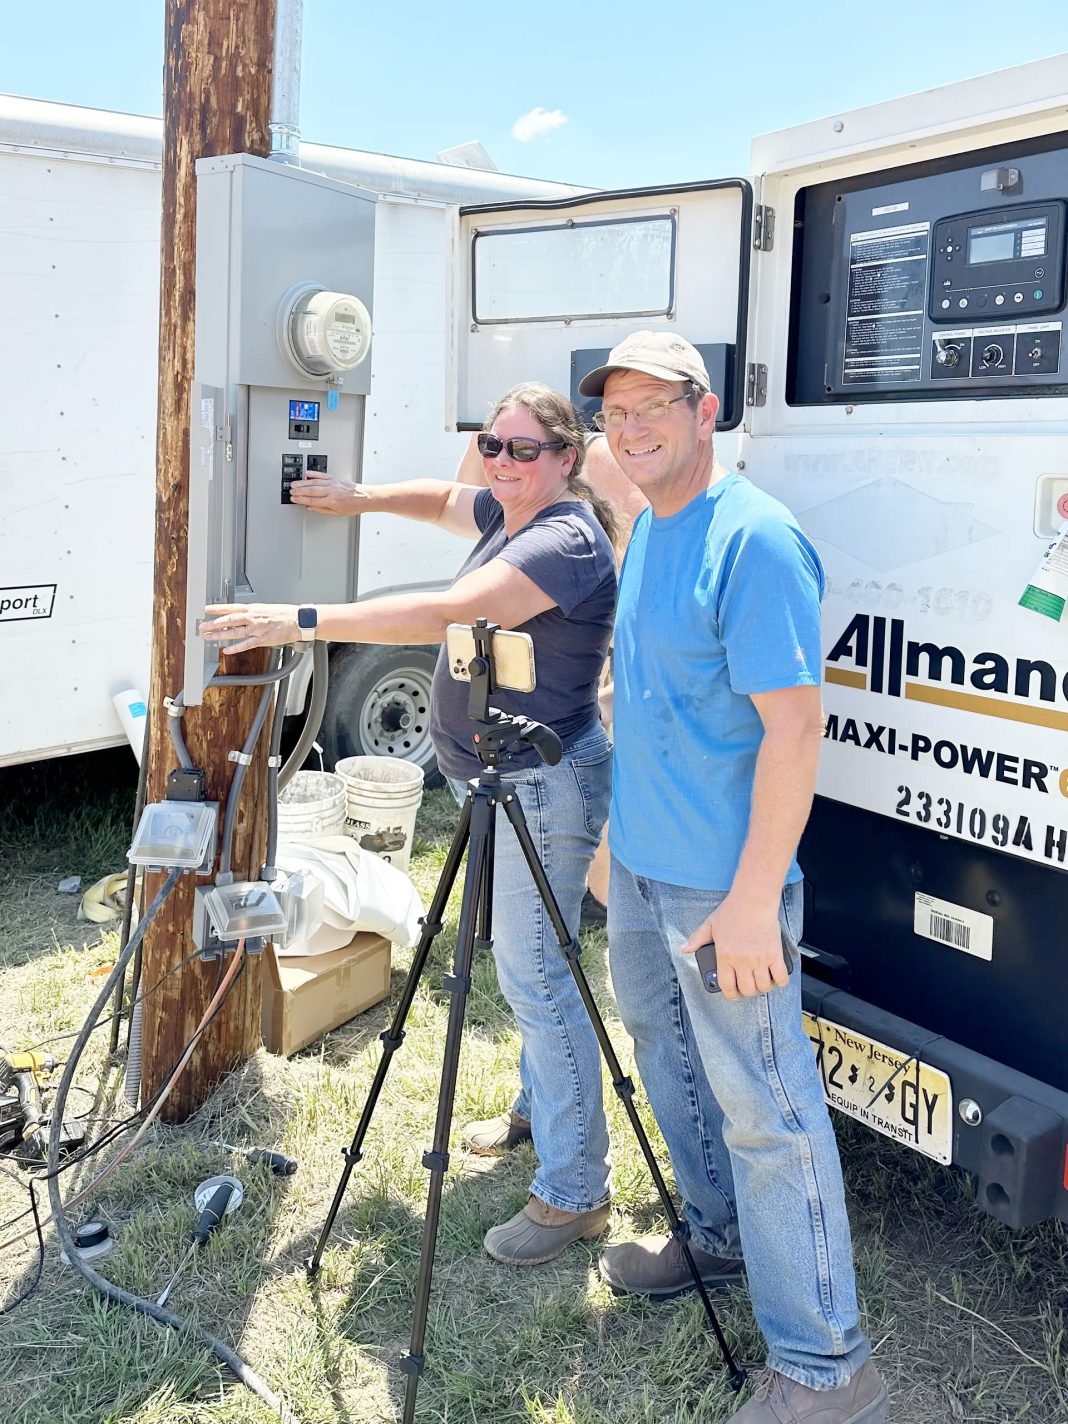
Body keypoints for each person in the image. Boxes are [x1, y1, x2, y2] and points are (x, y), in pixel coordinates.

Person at [201, 383, 619, 1267]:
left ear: (567, 459)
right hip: (498, 782)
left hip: (542, 785)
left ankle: (576, 1191)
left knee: (537, 976)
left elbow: (445, 612)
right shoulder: (512, 510)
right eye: (493, 445)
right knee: (525, 965)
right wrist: (356, 496)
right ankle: (541, 1110)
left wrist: (300, 619)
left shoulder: (564, 537)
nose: (502, 464)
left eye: (524, 451)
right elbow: (440, 497)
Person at [578, 333, 888, 1424]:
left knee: (769, 1110)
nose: (632, 426)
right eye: (614, 410)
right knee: (669, 1060)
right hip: (651, 871)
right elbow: (650, 705)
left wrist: (756, 898)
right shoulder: (654, 525)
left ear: (704, 409)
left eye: (654, 404)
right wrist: (617, 839)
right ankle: (712, 1236)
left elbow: (796, 729)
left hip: (725, 893)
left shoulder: (752, 537)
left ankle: (827, 1365)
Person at [455, 430, 648, 928]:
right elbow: (462, 488)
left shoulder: (587, 521)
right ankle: (577, 896)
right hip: (603, 634)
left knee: (618, 759)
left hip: (614, 637)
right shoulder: (560, 492)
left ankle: (597, 900)